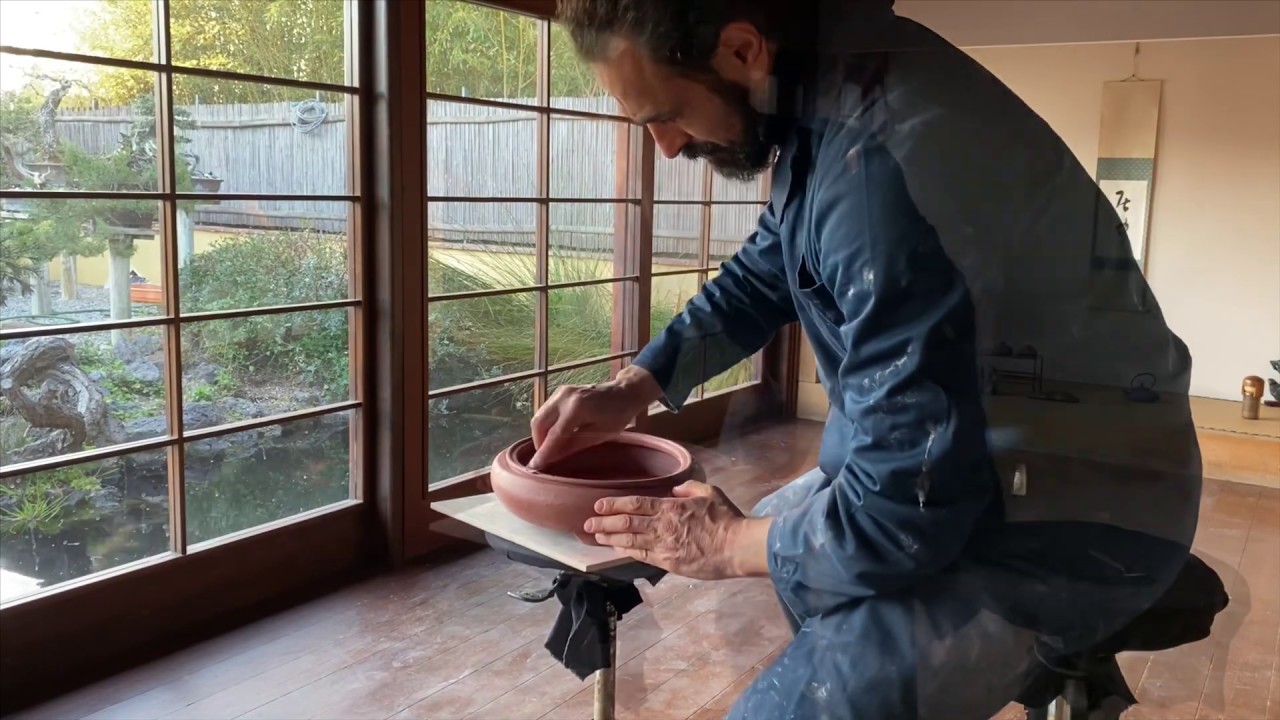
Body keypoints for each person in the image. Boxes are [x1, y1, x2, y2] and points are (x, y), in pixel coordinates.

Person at [533, 1, 1203, 717]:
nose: (664, 146)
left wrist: (727, 545)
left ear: (741, 49)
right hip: (991, 464)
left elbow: (904, 506)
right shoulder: (826, 83)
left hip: (1065, 517)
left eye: (663, 113)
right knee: (786, 525)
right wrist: (637, 384)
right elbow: (771, 269)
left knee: (778, 608)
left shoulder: (878, 166)